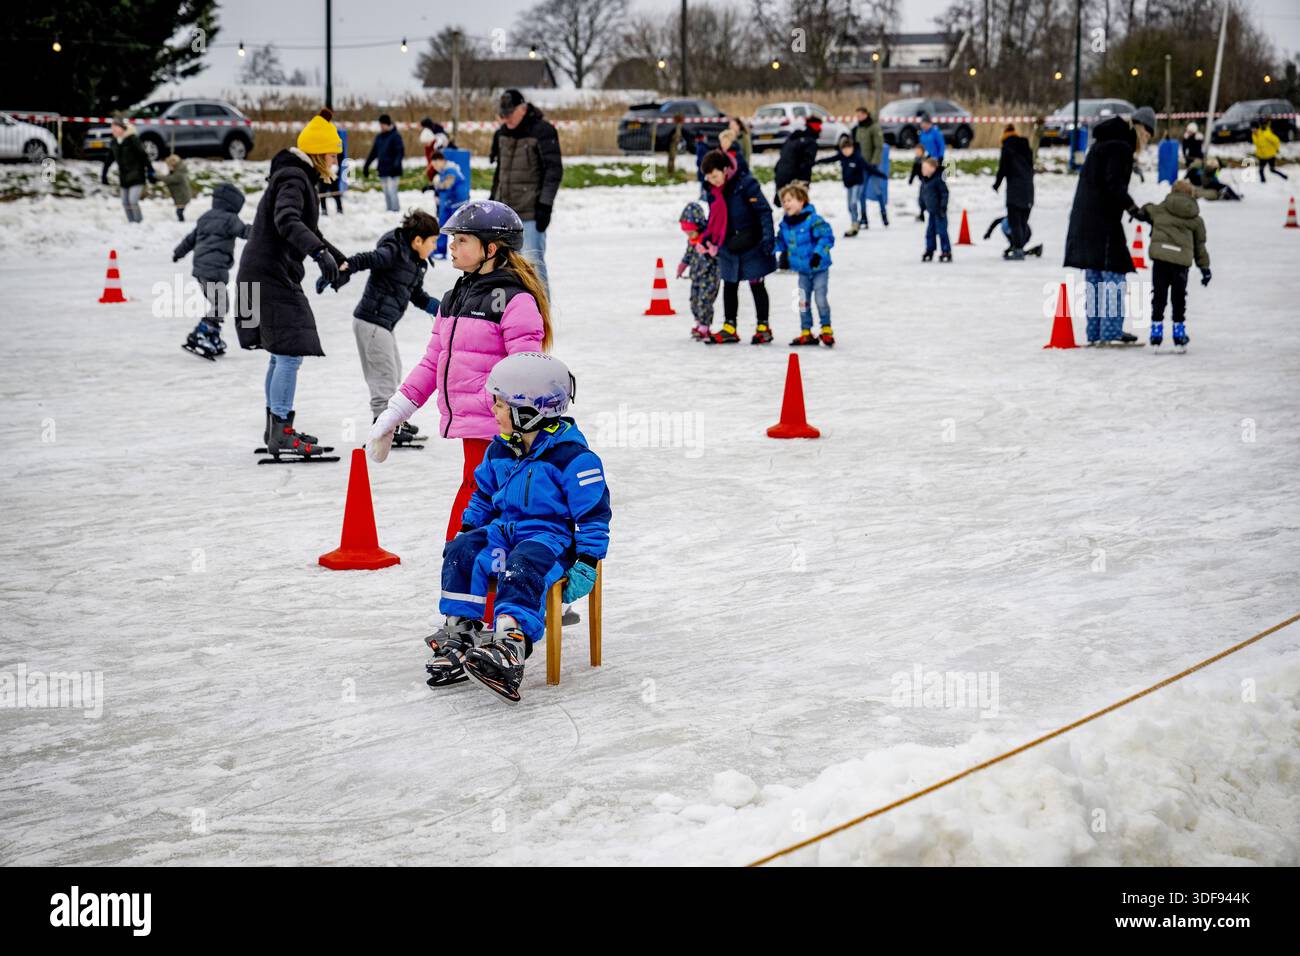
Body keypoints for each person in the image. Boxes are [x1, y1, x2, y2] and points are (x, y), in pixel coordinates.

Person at [423, 352, 610, 702]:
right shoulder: (500, 450)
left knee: (521, 564)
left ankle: (512, 644)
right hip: (505, 532)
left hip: (550, 542)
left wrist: (587, 563)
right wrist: (468, 530)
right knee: (463, 551)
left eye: (501, 403)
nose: (493, 409)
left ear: (529, 410)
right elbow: (482, 495)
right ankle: (461, 632)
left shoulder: (573, 458)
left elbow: (594, 515)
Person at [365, 199, 550, 542]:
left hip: (502, 440)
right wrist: (394, 413)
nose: (451, 245)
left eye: (462, 239)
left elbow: (527, 374)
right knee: (467, 534)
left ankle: (498, 589)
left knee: (480, 532)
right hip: (474, 439)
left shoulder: (515, 300)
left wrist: (515, 429)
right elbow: (433, 363)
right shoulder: (454, 298)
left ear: (491, 248)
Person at [233, 107, 350, 460]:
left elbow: (307, 229)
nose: (335, 161)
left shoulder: (294, 176)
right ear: (318, 153)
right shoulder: (294, 179)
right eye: (332, 154)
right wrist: (317, 254)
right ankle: (281, 430)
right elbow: (287, 220)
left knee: (281, 351)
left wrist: (335, 258)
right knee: (289, 351)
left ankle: (276, 429)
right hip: (269, 277)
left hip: (262, 274)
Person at [323, 208, 442, 437]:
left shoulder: (414, 261)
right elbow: (368, 258)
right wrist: (343, 269)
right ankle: (384, 424)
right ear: (418, 240)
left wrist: (440, 309)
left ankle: (391, 420)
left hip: (381, 324)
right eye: (433, 241)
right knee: (384, 375)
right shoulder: (394, 251)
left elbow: (415, 294)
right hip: (371, 322)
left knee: (393, 370)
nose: (435, 247)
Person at [1063, 106, 1156, 345]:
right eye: (1147, 135)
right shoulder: (1121, 146)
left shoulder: (1103, 143)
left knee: (1095, 274)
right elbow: (1114, 184)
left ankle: (1095, 332)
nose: (1145, 141)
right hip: (1102, 220)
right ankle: (1111, 332)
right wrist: (1133, 209)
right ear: (1140, 129)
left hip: (1084, 217)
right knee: (1114, 273)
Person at [490, 89, 562, 296]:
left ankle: (541, 319)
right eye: (502, 115)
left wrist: (545, 205)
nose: (505, 119)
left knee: (532, 267)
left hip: (530, 213)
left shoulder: (543, 131)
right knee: (503, 268)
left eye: (509, 114)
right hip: (504, 213)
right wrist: (493, 201)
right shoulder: (502, 133)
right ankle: (513, 318)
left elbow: (554, 171)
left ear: (523, 109)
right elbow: (500, 171)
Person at [699, 149, 776, 344]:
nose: (713, 180)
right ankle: (729, 327)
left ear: (725, 170)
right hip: (728, 244)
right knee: (729, 283)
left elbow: (764, 211)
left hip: (752, 242)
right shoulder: (713, 192)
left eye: (715, 176)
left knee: (756, 283)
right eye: (708, 177)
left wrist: (768, 238)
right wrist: (707, 238)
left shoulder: (746, 184)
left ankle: (763, 327)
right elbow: (714, 219)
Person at [173, 182, 251, 359]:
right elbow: (245, 232)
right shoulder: (231, 219)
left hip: (201, 270)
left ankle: (212, 335)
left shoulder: (205, 217)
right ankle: (200, 334)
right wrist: (262, 232)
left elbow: (189, 240)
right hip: (214, 270)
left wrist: (178, 253)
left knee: (220, 304)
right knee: (221, 305)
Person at [1135, 179, 1210, 351]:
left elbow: (1147, 210)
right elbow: (1200, 246)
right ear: (1190, 195)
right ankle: (1178, 334)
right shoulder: (1195, 219)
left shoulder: (1161, 209)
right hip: (1181, 263)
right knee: (1178, 297)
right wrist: (1205, 268)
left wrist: (1140, 211)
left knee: (1159, 296)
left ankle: (1156, 332)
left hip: (1161, 259)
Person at [775, 182, 835, 347]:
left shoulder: (813, 220)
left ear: (802, 201)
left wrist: (818, 254)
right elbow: (780, 243)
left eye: (789, 200)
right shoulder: (785, 224)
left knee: (820, 299)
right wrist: (768, 249)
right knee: (802, 302)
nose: (786, 204)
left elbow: (827, 237)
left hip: (819, 268)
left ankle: (826, 329)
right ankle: (806, 331)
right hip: (802, 271)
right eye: (784, 201)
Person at [814, 135, 885, 236]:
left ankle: (855, 224)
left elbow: (868, 168)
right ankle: (854, 222)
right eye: (844, 150)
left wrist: (881, 174)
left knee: (853, 203)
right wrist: (818, 161)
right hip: (849, 185)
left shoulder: (858, 157)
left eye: (848, 149)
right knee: (849, 206)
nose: (846, 152)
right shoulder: (842, 155)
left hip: (858, 184)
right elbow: (831, 159)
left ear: (852, 148)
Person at [676, 201, 721, 340]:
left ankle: (704, 326)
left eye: (691, 232)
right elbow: (689, 254)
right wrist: (683, 265)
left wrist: (713, 252)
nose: (689, 236)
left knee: (705, 301)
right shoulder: (692, 241)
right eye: (686, 233)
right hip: (696, 276)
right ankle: (698, 323)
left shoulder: (708, 238)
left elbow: (718, 255)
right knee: (694, 300)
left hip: (710, 277)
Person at [100, 114, 155, 223]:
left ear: (122, 128)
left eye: (115, 127)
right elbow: (109, 159)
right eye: (112, 128)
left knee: (133, 201)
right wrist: (104, 174)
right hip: (124, 177)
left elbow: (143, 155)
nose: (113, 130)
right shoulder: (114, 142)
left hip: (137, 175)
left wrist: (150, 170)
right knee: (125, 202)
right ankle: (131, 223)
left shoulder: (132, 139)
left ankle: (139, 223)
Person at [992, 124, 1035, 259]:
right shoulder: (1026, 147)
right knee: (1023, 221)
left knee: (1014, 221)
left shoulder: (1007, 147)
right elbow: (1031, 167)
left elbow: (1003, 168)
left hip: (1014, 191)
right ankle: (1019, 247)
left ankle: (1018, 250)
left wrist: (996, 184)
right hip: (1028, 189)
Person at [428, 149, 469, 259]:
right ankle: (440, 251)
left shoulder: (451, 170)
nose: (435, 167)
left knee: (460, 230)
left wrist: (434, 186)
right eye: (433, 165)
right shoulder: (443, 171)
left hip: (457, 204)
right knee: (442, 226)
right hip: (447, 204)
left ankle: (464, 252)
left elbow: (447, 185)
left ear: (442, 161)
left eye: (436, 163)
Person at [773, 115, 822, 206]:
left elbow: (782, 155)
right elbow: (807, 163)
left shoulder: (792, 138)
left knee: (788, 207)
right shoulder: (810, 142)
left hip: (780, 176)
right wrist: (804, 183)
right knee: (798, 208)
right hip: (795, 179)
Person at [364, 113, 405, 212]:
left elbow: (400, 152)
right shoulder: (379, 137)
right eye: (380, 125)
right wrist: (366, 165)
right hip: (383, 170)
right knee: (386, 192)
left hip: (393, 171)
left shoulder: (396, 136)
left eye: (382, 125)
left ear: (388, 124)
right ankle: (389, 211)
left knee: (392, 191)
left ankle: (395, 211)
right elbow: (373, 152)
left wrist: (396, 165)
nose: (381, 127)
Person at [852, 106, 885, 228]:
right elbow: (856, 146)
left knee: (877, 191)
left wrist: (873, 162)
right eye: (857, 115)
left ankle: (883, 214)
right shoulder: (858, 128)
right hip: (862, 165)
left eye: (860, 115)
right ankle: (864, 217)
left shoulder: (874, 127)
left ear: (866, 114)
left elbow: (879, 146)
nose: (858, 117)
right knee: (861, 193)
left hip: (873, 165)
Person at [918, 157, 951, 262]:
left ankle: (946, 251)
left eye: (925, 168)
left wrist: (943, 207)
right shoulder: (924, 181)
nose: (923, 170)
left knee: (942, 232)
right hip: (931, 212)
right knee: (930, 233)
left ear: (932, 168)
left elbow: (945, 193)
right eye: (922, 168)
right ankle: (930, 250)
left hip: (939, 212)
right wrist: (922, 210)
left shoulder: (938, 179)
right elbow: (922, 196)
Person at [159, 154, 193, 222]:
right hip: (178, 194)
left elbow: (169, 179)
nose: (168, 167)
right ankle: (181, 221)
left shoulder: (179, 173)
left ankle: (182, 223)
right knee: (179, 210)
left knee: (179, 211)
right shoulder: (177, 170)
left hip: (182, 195)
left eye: (169, 165)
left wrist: (156, 175)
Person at [908, 144, 928, 220]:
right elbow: (914, 171)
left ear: (922, 152)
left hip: (926, 181)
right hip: (922, 181)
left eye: (919, 151)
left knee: (925, 198)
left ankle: (926, 212)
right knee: (921, 198)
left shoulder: (925, 160)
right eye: (916, 151)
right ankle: (922, 214)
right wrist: (911, 179)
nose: (917, 152)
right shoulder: (916, 160)